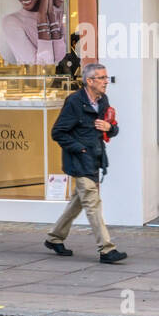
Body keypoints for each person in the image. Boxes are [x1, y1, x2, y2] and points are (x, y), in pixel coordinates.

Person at [45, 62, 125, 263]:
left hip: (95, 158)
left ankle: (55, 237)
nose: (106, 81)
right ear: (89, 81)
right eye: (102, 78)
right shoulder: (74, 102)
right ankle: (106, 249)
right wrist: (78, 148)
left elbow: (111, 128)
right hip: (79, 161)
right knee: (92, 202)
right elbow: (58, 132)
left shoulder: (102, 100)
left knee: (78, 201)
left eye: (106, 77)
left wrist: (109, 128)